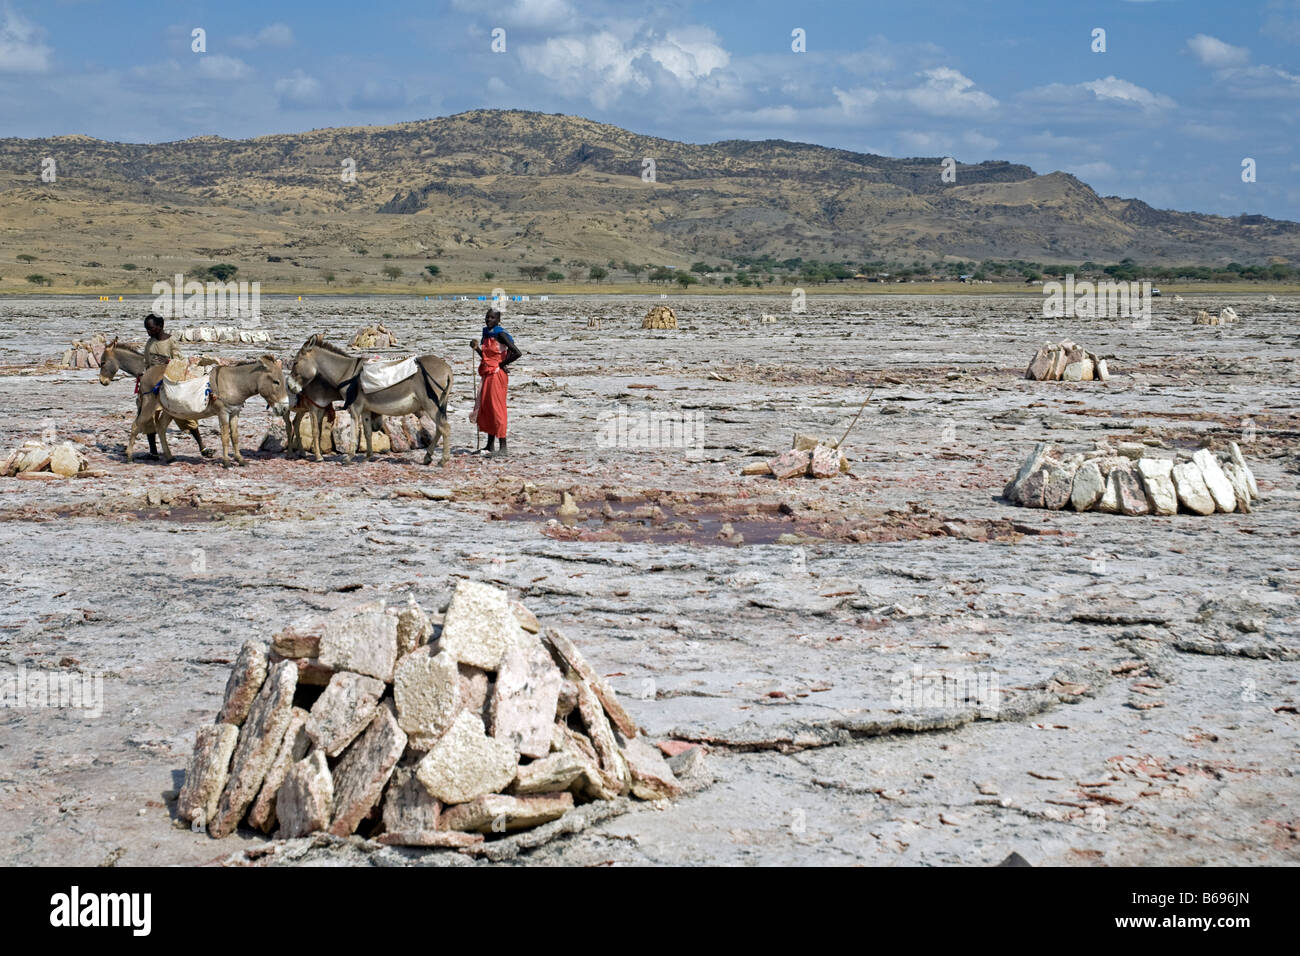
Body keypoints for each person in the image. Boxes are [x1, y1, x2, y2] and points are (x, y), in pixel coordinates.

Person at [470, 309, 522, 457]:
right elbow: (486, 357)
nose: (488, 320)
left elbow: (517, 353)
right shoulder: (486, 333)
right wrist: (477, 348)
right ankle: (490, 445)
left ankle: (503, 447)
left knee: (497, 408)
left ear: (498, 320)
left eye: (492, 318)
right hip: (488, 373)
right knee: (487, 408)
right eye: (487, 317)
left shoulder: (501, 334)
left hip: (497, 375)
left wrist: (502, 364)